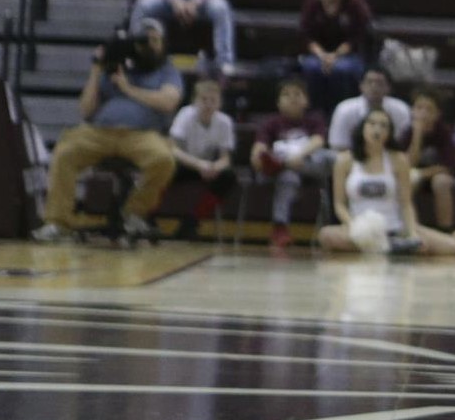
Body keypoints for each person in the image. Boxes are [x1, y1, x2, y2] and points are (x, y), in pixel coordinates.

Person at [32, 20, 183, 243]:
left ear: (163, 45)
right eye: (143, 40)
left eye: (155, 41)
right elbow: (85, 110)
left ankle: (133, 213)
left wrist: (127, 89)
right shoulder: (115, 65)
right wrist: (96, 69)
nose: (149, 46)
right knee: (65, 153)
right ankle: (57, 222)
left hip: (141, 135)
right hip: (99, 132)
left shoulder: (167, 69)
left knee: (164, 160)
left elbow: (169, 101)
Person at [318, 107, 455, 254]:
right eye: (372, 124)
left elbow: (406, 204)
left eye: (383, 125)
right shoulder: (345, 160)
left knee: (451, 246)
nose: (377, 129)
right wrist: (354, 225)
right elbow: (339, 204)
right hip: (360, 228)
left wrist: (412, 232)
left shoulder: (399, 159)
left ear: (389, 133)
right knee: (327, 236)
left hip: (396, 227)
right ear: (362, 127)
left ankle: (389, 245)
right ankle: (391, 248)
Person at [252, 77, 334, 250]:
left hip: (306, 164)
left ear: (307, 100)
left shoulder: (314, 119)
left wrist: (296, 157)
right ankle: (280, 227)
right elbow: (259, 149)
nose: (292, 98)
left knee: (332, 157)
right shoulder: (271, 123)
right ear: (278, 102)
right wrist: (257, 157)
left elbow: (318, 141)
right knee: (289, 177)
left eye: (297, 94)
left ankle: (282, 164)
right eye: (286, 95)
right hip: (281, 174)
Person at [298, 0, 375, 110]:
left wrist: (334, 56)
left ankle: (340, 110)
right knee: (312, 68)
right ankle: (316, 112)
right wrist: (323, 55)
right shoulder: (313, 3)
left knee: (342, 70)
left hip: (348, 54)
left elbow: (358, 37)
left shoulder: (354, 4)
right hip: (318, 54)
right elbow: (306, 35)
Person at [169, 78, 240, 238]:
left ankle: (193, 220)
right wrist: (198, 164)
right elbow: (172, 149)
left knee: (228, 176)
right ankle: (148, 215)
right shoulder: (185, 115)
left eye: (213, 100)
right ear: (194, 101)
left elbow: (225, 159)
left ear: (220, 103)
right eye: (203, 99)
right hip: (184, 163)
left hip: (207, 167)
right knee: (163, 169)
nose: (208, 104)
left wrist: (215, 167)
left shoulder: (224, 122)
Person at [406, 88, 455, 231]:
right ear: (412, 110)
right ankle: (409, 228)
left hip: (442, 176)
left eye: (429, 109)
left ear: (437, 114)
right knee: (408, 180)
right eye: (419, 108)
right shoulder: (407, 132)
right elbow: (407, 164)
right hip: (416, 175)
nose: (423, 113)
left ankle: (445, 230)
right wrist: (417, 135)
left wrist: (421, 173)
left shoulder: (445, 133)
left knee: (441, 182)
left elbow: (447, 166)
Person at [327, 65, 412, 151]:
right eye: (369, 82)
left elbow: (402, 143)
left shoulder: (401, 109)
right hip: (352, 157)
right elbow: (337, 145)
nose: (374, 86)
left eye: (380, 83)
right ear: (361, 85)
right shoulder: (344, 109)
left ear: (388, 88)